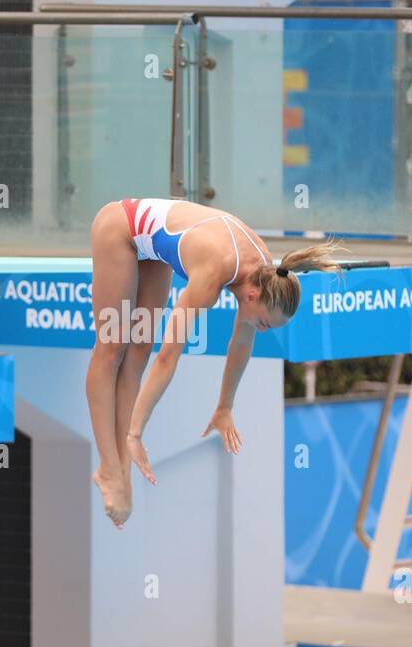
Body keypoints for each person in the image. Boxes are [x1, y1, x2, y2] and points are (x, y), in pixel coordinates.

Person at [87, 197, 342, 528]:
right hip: (120, 228)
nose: (261, 330)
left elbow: (240, 345)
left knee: (139, 350)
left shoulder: (265, 275)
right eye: (264, 323)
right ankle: (109, 467)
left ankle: (121, 472)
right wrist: (136, 434)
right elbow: (168, 358)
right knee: (112, 347)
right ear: (252, 297)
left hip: (152, 249)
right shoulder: (213, 272)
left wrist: (224, 407)